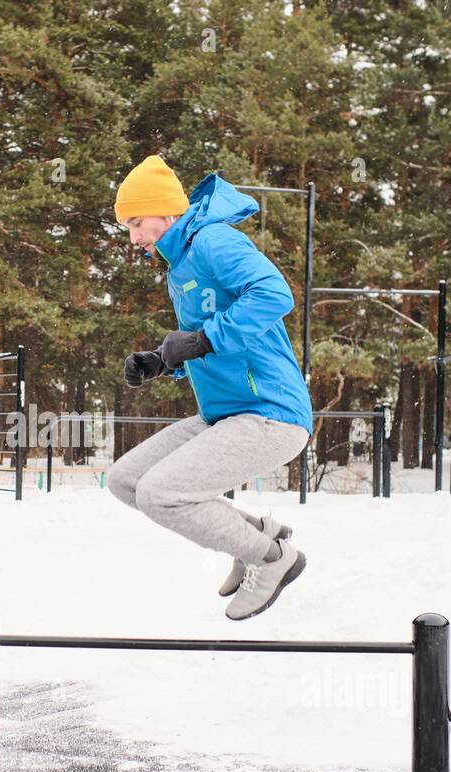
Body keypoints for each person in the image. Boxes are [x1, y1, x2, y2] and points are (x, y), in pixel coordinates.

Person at [108, 155, 313, 621]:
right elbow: (203, 339)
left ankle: (273, 558)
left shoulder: (213, 241)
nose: (134, 237)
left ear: (167, 211)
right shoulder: (178, 267)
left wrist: (203, 339)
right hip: (223, 413)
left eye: (137, 223)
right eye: (128, 228)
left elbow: (274, 294)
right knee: (127, 481)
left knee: (160, 493)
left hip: (270, 413)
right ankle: (258, 534)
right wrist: (163, 361)